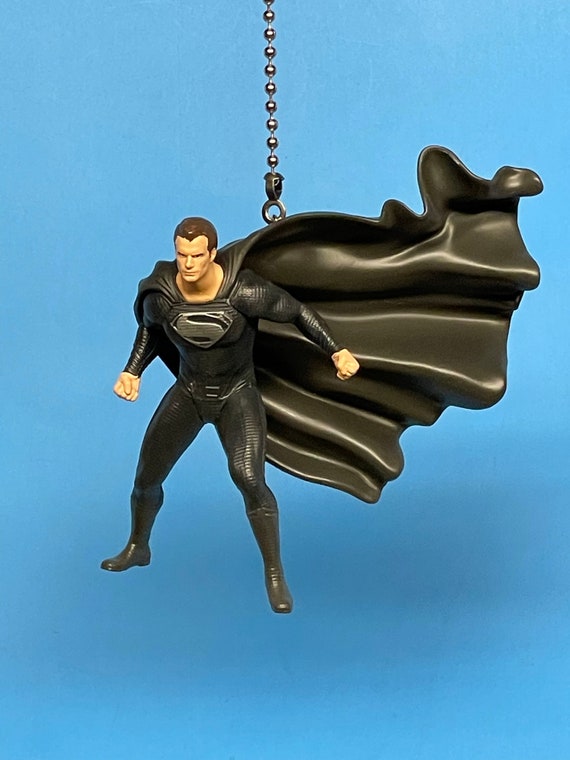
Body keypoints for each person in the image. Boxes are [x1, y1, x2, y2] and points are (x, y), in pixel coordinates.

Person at [101, 217, 360, 613]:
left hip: (237, 394)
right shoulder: (164, 296)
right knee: (146, 477)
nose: (188, 264)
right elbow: (150, 329)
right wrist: (132, 370)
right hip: (188, 393)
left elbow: (296, 312)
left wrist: (336, 350)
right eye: (181, 255)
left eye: (196, 256)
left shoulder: (245, 293)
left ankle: (274, 572)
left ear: (212, 253)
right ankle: (138, 545)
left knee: (249, 478)